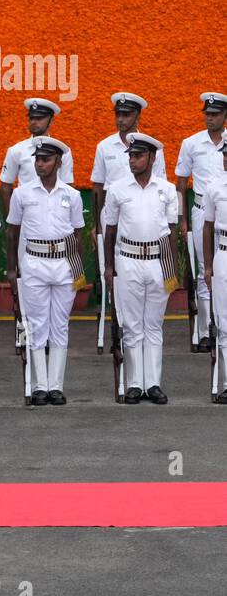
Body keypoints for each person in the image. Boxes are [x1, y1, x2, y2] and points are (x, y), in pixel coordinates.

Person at [5, 137, 86, 405]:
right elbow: (13, 231)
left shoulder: (71, 195)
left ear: (58, 162)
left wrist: (79, 269)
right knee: (37, 324)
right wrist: (12, 268)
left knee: (60, 325)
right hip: (34, 261)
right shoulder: (22, 193)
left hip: (63, 262)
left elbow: (78, 233)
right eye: (38, 159)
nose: (40, 164)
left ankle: (56, 386)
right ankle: (39, 385)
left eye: (46, 159)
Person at [102, 133, 180, 404]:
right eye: (131, 156)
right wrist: (109, 266)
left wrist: (174, 268)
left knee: (154, 324)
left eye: (139, 156)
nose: (133, 160)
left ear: (152, 158)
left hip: (159, 260)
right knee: (133, 324)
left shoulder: (167, 190)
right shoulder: (118, 189)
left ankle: (153, 383)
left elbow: (171, 232)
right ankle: (135, 384)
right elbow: (109, 230)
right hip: (128, 258)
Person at [174, 92, 227, 352]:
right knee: (204, 271)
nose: (210, 118)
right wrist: (182, 219)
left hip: (226, 217)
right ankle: (207, 330)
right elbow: (181, 184)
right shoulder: (191, 143)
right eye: (207, 114)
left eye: (215, 114)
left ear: (224, 116)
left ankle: (224, 325)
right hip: (200, 212)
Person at [91, 93, 165, 222]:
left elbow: (160, 185)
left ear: (138, 116)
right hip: (112, 213)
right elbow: (98, 186)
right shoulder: (104, 146)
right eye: (118, 114)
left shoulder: (152, 147)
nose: (120, 119)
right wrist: (96, 224)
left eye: (126, 115)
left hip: (143, 213)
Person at [0, 98, 75, 216]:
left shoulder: (63, 151)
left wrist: (66, 215)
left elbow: (67, 187)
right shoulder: (16, 150)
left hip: (54, 214)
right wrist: (12, 221)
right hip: (26, 214)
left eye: (39, 118)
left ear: (51, 121)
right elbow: (5, 187)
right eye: (31, 118)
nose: (34, 122)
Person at [199, 140, 227, 401]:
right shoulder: (215, 187)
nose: (226, 158)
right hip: (224, 252)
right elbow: (207, 227)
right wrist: (207, 265)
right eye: (225, 154)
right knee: (224, 321)